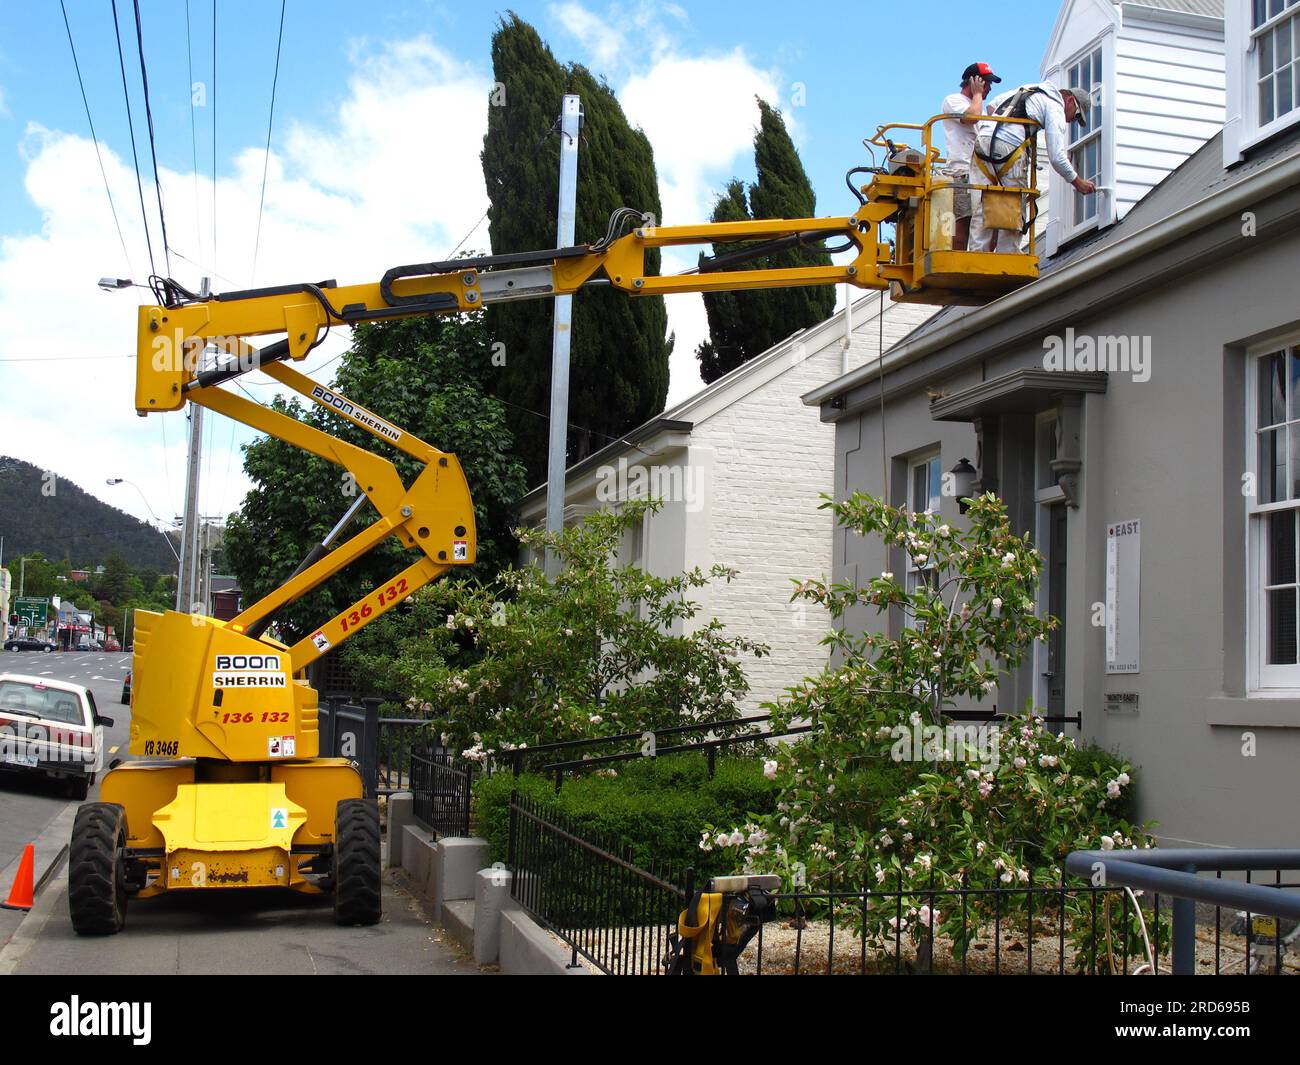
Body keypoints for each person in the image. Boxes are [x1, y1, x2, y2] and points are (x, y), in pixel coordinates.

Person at [969, 82, 1097, 253]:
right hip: (1009, 148)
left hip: (982, 143)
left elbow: (992, 107)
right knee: (1013, 203)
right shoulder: (1055, 105)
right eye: (1076, 115)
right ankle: (1008, 253)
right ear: (1070, 101)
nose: (1071, 121)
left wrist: (1005, 129)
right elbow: (1057, 157)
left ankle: (978, 254)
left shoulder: (1029, 89)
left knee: (982, 201)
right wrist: (1078, 182)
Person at [940, 62, 1002, 250]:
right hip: (962, 170)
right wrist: (977, 94)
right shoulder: (954, 100)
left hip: (982, 172)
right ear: (974, 81)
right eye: (986, 83)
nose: (989, 88)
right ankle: (956, 263)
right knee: (963, 221)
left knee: (990, 221)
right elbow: (971, 117)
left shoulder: (979, 107)